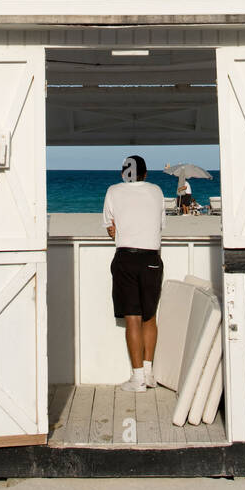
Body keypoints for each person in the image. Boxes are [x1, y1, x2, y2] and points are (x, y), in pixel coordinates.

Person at [103, 155, 166, 392]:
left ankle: (137, 378)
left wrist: (118, 230)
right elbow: (159, 225)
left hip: (126, 257)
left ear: (123, 173)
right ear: (146, 174)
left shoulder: (113, 191)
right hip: (151, 257)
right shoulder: (156, 191)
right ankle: (149, 374)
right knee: (150, 316)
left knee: (133, 317)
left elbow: (111, 229)